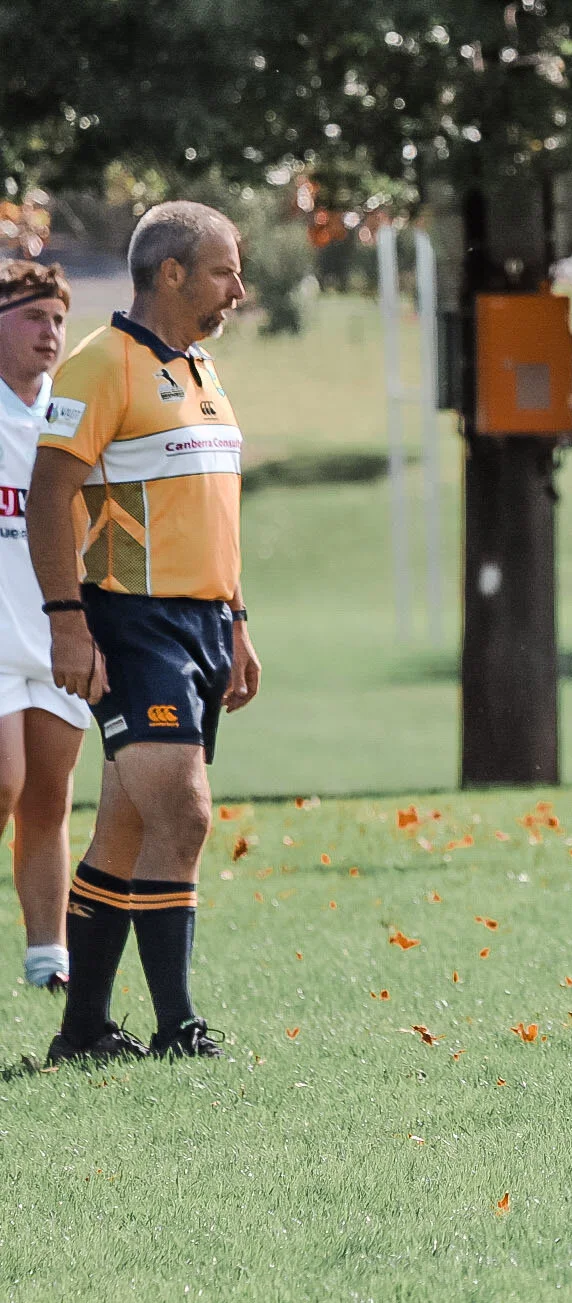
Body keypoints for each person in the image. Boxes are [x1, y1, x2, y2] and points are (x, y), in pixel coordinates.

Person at [29, 201, 257, 1062]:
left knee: (126, 828)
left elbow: (213, 511)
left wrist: (238, 622)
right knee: (185, 817)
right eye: (223, 271)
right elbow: (52, 493)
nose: (237, 288)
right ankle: (179, 1030)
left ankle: (82, 1029)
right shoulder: (101, 366)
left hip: (202, 626)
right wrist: (67, 623)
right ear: (171, 273)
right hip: (133, 621)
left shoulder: (199, 368)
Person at [0, 260, 92, 993]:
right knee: (3, 783)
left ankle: (47, 959)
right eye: (34, 316)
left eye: (58, 319)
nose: (51, 333)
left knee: (48, 800)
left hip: (57, 637)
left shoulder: (72, 416)